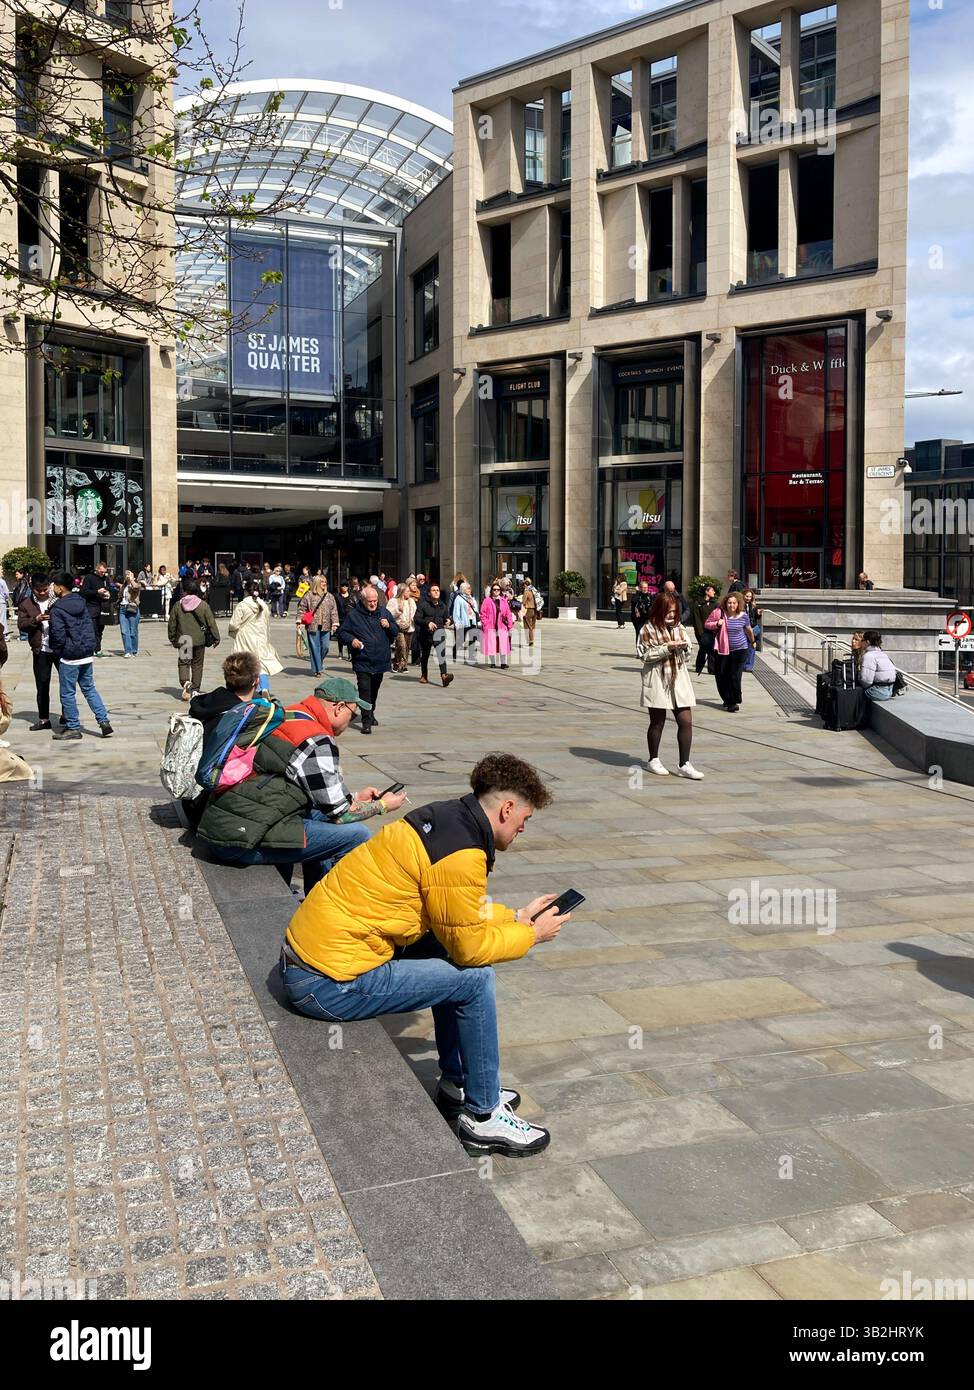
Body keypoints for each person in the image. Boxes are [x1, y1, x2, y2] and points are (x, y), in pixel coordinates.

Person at [280, 752, 572, 1157]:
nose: (523, 827)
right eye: (525, 818)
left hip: (310, 955)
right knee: (473, 978)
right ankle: (483, 1117)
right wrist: (531, 936)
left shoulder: (445, 818)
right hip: (325, 982)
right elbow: (469, 948)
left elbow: (454, 916)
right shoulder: (463, 855)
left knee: (444, 949)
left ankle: (459, 1083)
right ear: (507, 808)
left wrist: (518, 917)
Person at [196, 676, 406, 895]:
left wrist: (354, 797)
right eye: (352, 715)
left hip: (231, 821)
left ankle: (314, 898)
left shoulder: (291, 714)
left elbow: (322, 796)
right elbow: (341, 814)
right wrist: (382, 805)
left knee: (323, 822)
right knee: (357, 834)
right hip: (238, 841)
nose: (351, 721)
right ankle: (331, 908)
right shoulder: (316, 740)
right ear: (338, 707)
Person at [638, 592, 703, 779]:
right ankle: (653, 759)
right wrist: (667, 648)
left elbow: (689, 653)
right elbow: (644, 655)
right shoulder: (648, 629)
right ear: (659, 610)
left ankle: (684, 764)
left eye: (674, 612)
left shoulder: (679, 627)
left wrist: (684, 646)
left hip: (678, 678)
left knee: (686, 721)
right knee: (657, 722)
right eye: (668, 611)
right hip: (657, 678)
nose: (672, 616)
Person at [47, 571, 113, 740]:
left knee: (67, 693)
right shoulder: (81, 602)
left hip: (69, 656)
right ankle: (104, 721)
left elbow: (58, 634)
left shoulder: (58, 609)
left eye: (53, 585)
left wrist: (58, 650)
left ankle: (73, 727)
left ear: (60, 588)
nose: (51, 588)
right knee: (89, 689)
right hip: (86, 653)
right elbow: (88, 627)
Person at [335, 584, 398, 734]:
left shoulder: (384, 612)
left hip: (380, 660)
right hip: (362, 660)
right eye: (370, 601)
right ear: (363, 601)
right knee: (364, 691)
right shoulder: (354, 615)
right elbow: (342, 633)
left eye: (375, 601)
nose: (373, 603)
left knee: (374, 691)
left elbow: (395, 631)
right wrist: (352, 640)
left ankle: (371, 712)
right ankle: (366, 721)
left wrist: (389, 625)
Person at [17, 573, 65, 731]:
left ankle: (67, 715)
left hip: (60, 648)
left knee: (66, 684)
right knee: (42, 685)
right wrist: (35, 620)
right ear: (33, 588)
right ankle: (44, 719)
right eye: (39, 590)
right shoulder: (26, 603)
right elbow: (21, 624)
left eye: (45, 589)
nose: (43, 592)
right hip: (41, 649)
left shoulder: (58, 599)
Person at [168, 579, 221, 700]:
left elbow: (172, 624)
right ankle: (196, 689)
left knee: (184, 663)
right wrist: (216, 637)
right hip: (199, 639)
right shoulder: (203, 605)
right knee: (197, 665)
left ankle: (186, 683)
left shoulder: (178, 605)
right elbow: (211, 623)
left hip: (184, 638)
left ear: (185, 591)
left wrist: (172, 638)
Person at [229, 580, 282, 694]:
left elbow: (234, 624)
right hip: (260, 636)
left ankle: (255, 689)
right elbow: (267, 623)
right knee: (260, 663)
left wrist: (233, 631)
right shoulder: (264, 605)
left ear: (246, 591)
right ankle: (265, 687)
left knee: (247, 664)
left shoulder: (242, 605)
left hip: (245, 637)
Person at [706, 591, 754, 712]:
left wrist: (753, 641)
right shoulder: (719, 613)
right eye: (729, 603)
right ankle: (727, 699)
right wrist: (717, 623)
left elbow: (748, 629)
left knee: (735, 675)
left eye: (734, 603)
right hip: (723, 650)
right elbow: (707, 624)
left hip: (740, 649)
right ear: (725, 603)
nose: (731, 605)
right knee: (722, 675)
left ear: (738, 604)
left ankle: (734, 700)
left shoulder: (743, 616)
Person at [297, 576, 339, 677]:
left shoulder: (329, 596)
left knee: (325, 647)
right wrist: (299, 621)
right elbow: (301, 608)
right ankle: (317, 669)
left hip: (326, 625)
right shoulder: (309, 595)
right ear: (316, 583)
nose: (324, 584)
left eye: (325, 582)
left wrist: (335, 623)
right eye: (322, 582)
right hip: (312, 625)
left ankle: (318, 663)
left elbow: (334, 611)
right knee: (314, 648)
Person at [414, 583, 455, 688]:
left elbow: (447, 617)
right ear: (429, 593)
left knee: (441, 655)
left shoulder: (443, 606)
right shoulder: (423, 605)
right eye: (434, 590)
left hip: (439, 633)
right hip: (426, 634)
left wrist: (449, 620)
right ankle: (424, 675)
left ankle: (444, 676)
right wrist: (428, 623)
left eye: (438, 590)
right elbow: (417, 619)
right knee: (425, 656)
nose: (436, 592)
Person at [80, 562, 114, 656]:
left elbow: (109, 588)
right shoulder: (89, 577)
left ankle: (97, 649)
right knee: (92, 629)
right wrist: (97, 592)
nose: (103, 574)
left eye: (104, 572)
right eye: (101, 572)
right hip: (91, 606)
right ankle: (91, 649)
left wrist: (107, 593)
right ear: (97, 569)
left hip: (103, 606)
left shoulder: (105, 579)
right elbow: (83, 591)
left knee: (100, 629)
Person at [480, 582, 514, 669]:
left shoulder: (503, 601)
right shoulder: (487, 600)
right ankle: (493, 662)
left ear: (500, 591)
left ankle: (503, 663)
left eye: (498, 590)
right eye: (494, 589)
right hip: (491, 626)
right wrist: (485, 624)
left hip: (502, 626)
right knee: (492, 645)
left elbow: (508, 614)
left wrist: (510, 626)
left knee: (503, 645)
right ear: (491, 591)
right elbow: (482, 613)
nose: (496, 591)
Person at [388, 582, 417, 673]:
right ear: (402, 591)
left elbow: (415, 613)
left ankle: (399, 663)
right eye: (407, 591)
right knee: (402, 645)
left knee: (407, 647)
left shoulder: (411, 601)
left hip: (409, 627)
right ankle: (401, 665)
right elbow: (389, 614)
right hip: (398, 628)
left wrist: (412, 619)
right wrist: (398, 611)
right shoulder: (393, 601)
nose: (409, 593)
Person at [859, 630, 896, 701]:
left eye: (862, 640)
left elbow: (866, 681)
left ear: (868, 642)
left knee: (856, 693)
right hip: (889, 691)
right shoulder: (883, 654)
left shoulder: (869, 656)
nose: (861, 643)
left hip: (877, 692)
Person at [691, 583, 719, 675]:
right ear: (706, 592)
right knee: (703, 648)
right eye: (712, 590)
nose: (714, 592)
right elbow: (696, 618)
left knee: (712, 649)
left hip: (712, 629)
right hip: (702, 631)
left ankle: (712, 668)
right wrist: (700, 632)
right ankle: (699, 666)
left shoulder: (715, 603)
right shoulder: (698, 603)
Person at [451, 582, 480, 664]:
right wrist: (457, 622)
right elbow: (456, 612)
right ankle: (454, 651)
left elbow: (476, 610)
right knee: (461, 640)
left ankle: (471, 656)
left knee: (473, 639)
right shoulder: (459, 598)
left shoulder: (472, 598)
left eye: (470, 588)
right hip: (463, 622)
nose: (469, 590)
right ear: (463, 589)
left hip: (473, 621)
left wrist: (478, 619)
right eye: (467, 588)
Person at [119, 570, 142, 658]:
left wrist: (131, 580)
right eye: (126, 575)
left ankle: (134, 650)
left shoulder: (136, 583)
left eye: (130, 574)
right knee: (124, 631)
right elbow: (120, 596)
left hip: (132, 609)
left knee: (133, 631)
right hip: (122, 609)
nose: (127, 576)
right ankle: (128, 651)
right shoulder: (124, 585)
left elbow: (136, 588)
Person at [741, 587, 762, 673]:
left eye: (750, 596)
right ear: (743, 596)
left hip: (752, 628)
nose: (748, 598)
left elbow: (756, 618)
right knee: (743, 648)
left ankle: (749, 666)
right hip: (743, 629)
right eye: (746, 596)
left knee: (752, 647)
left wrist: (759, 614)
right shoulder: (739, 605)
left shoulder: (754, 606)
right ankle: (742, 665)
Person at [520, 577, 542, 649]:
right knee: (532, 626)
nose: (523, 587)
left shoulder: (527, 591)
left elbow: (523, 602)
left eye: (523, 585)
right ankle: (532, 641)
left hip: (528, 610)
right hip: (535, 610)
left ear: (525, 585)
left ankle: (528, 642)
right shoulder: (534, 590)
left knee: (527, 626)